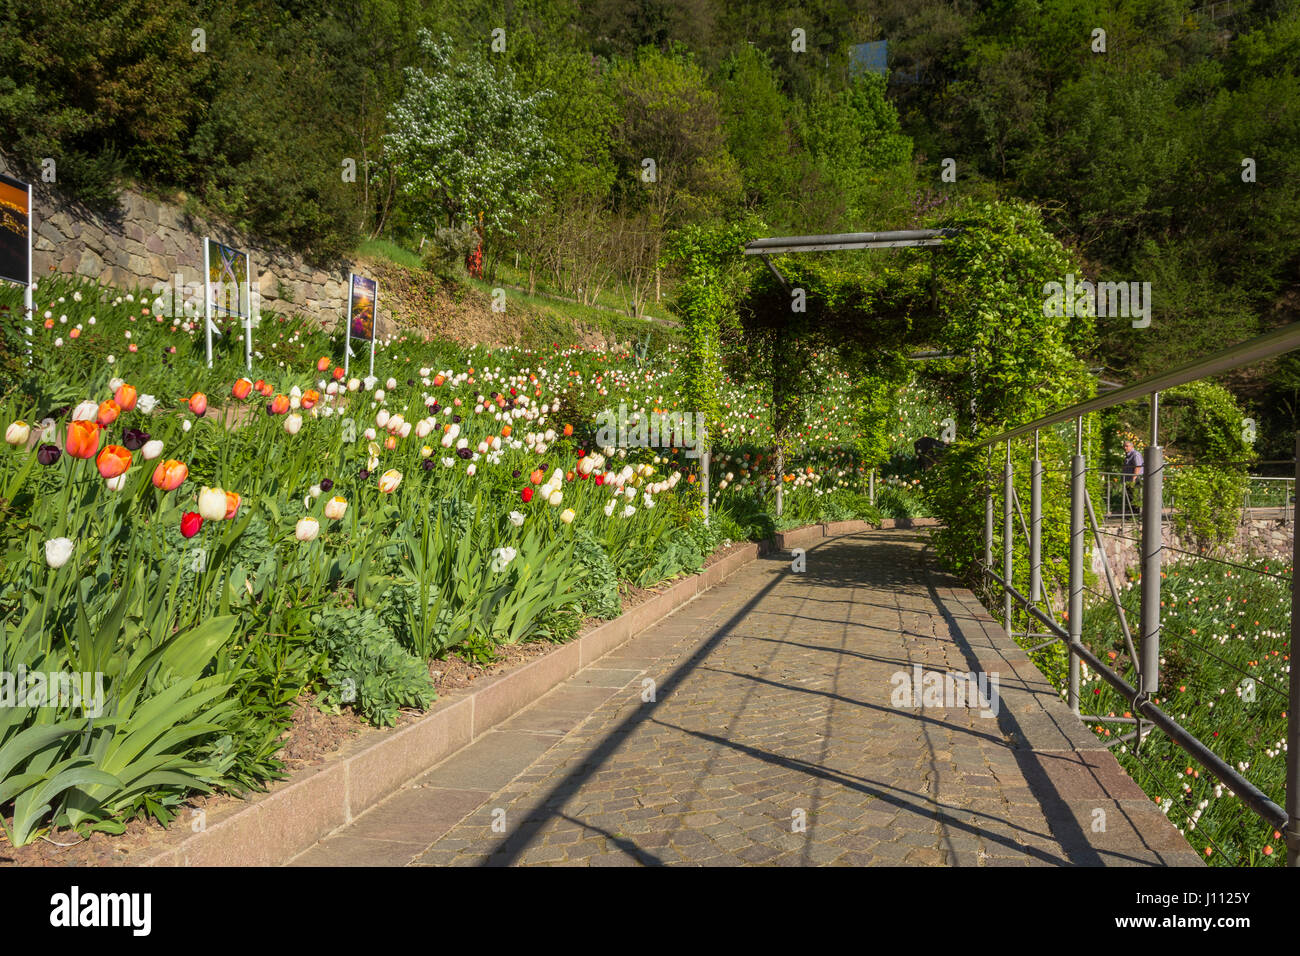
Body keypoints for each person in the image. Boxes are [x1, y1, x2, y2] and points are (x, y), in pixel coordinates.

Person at [1121, 439, 1144, 516]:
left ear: (1132, 446)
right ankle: (1132, 513)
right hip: (1128, 479)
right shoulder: (1128, 455)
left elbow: (1138, 466)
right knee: (1130, 496)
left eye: (1127, 446)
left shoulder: (1135, 454)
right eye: (1124, 446)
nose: (1125, 448)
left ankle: (1136, 514)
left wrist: (1133, 478)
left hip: (1134, 479)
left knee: (1135, 496)